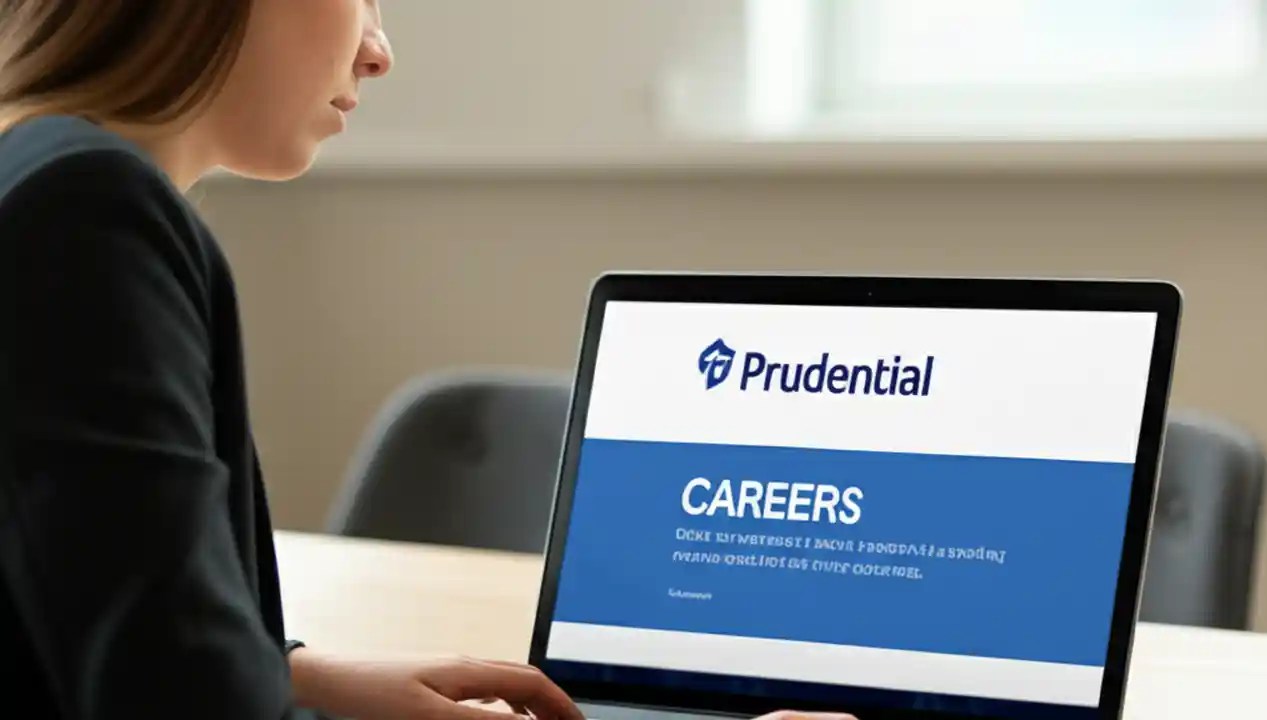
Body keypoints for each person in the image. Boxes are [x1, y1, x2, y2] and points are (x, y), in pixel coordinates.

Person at [0, 2, 858, 719]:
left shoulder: (38, 179)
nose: (379, 51)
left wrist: (301, 676)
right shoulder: (88, 219)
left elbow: (91, 626)